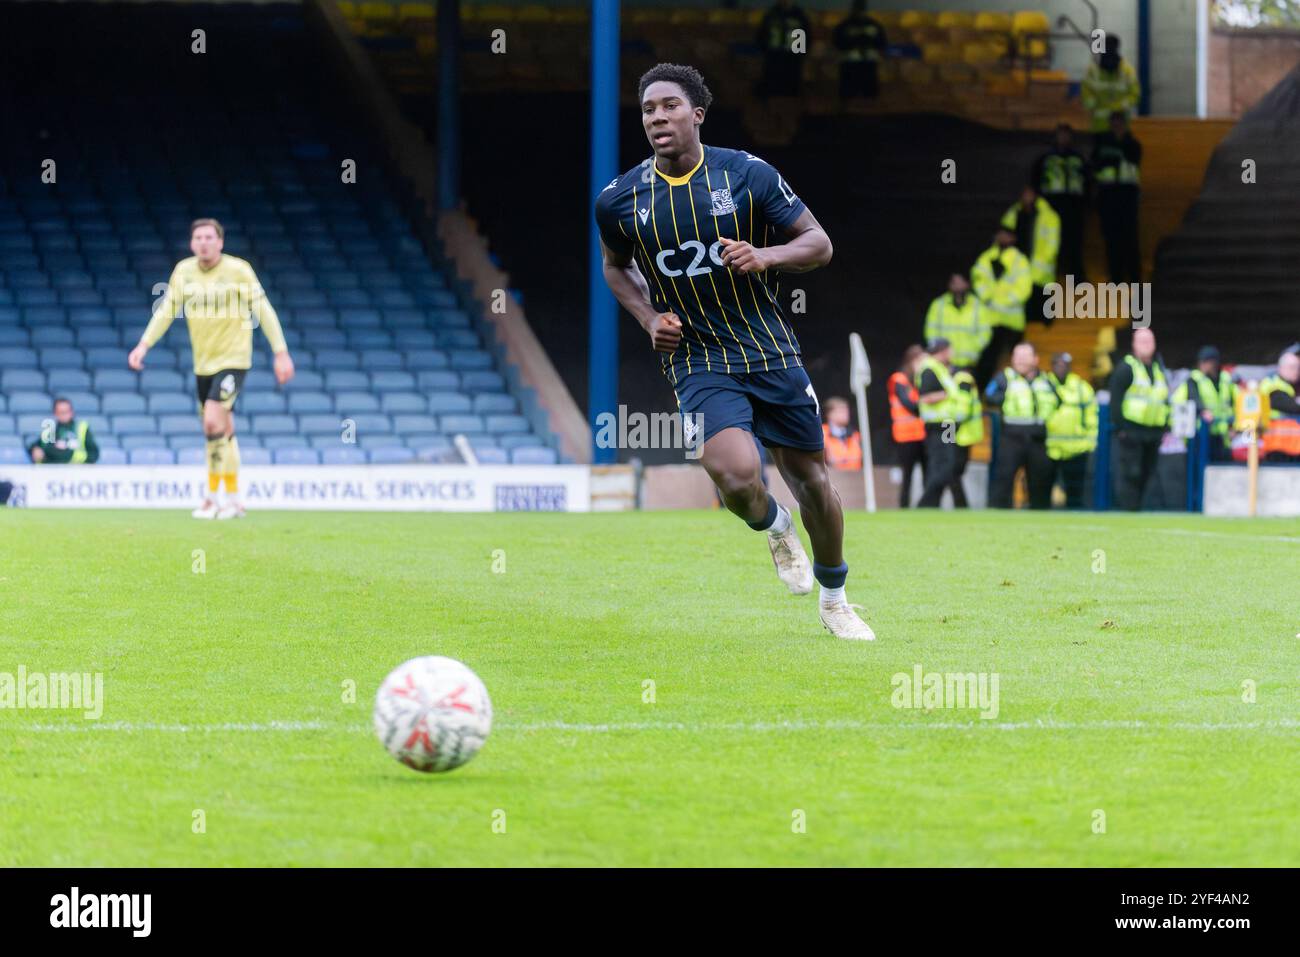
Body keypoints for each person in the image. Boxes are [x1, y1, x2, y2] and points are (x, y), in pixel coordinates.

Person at [595, 63, 872, 640]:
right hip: (696, 358)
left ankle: (835, 598)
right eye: (648, 109)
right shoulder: (620, 200)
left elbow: (818, 243)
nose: (657, 117)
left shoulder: (746, 173)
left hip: (768, 348)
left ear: (697, 114)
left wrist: (765, 256)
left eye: (669, 105)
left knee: (813, 482)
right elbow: (614, 268)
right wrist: (649, 318)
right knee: (735, 473)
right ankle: (775, 528)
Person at [128, 218, 295, 519]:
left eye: (209, 237)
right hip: (202, 363)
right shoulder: (184, 271)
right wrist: (143, 345)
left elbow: (263, 310)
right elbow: (167, 311)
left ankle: (212, 497)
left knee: (211, 423)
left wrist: (280, 352)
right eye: (198, 238)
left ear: (220, 242)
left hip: (234, 359)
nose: (203, 242)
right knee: (224, 429)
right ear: (192, 244)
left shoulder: (239, 270)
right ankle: (233, 498)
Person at [986, 342, 1057, 509]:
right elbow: (989, 396)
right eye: (1016, 357)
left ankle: (1041, 518)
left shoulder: (1046, 380)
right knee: (1004, 479)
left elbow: (1057, 401)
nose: (1020, 361)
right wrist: (1006, 397)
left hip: (1039, 439)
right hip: (1011, 437)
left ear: (1035, 359)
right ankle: (998, 516)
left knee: (1040, 482)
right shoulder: (1004, 377)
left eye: (1024, 357)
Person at [1108, 327, 1169, 511]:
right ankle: (1129, 510)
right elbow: (1115, 400)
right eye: (1142, 341)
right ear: (1134, 345)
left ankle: (1138, 509)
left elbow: (1162, 399)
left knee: (1147, 473)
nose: (1146, 345)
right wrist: (1121, 429)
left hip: (1153, 432)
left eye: (1149, 341)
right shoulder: (1127, 367)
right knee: (1131, 473)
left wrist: (1164, 426)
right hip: (1132, 431)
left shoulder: (1158, 369)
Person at [971, 225, 1032, 389]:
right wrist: (987, 297)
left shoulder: (1020, 260)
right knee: (987, 359)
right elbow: (978, 280)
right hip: (991, 319)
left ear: (1013, 239)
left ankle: (1017, 390)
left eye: (1007, 235)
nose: (1003, 238)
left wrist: (1003, 301)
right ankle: (980, 391)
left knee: (1017, 358)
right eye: (1000, 234)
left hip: (1012, 320)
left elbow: (1024, 288)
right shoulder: (985, 259)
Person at [1032, 124, 1088, 281]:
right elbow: (1036, 181)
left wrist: (1085, 202)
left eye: (1067, 135)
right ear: (1055, 137)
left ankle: (1077, 278)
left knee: (1074, 240)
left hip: (1074, 203)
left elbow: (1087, 181)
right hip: (1052, 203)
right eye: (1061, 135)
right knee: (1052, 240)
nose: (1064, 138)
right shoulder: (1045, 158)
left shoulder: (1078, 158)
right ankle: (1051, 275)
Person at [1092, 110, 1143, 284]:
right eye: (1114, 122)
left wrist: (1115, 155)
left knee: (1129, 238)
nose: (1117, 126)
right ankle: (1116, 277)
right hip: (1108, 194)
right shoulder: (1102, 143)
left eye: (1119, 122)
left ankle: (1134, 277)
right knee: (1111, 238)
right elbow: (1096, 164)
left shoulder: (1133, 143)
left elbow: (1133, 159)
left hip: (1127, 194)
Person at [914, 338, 963, 508]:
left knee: (947, 465)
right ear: (943, 351)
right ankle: (925, 504)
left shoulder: (939, 369)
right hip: (939, 425)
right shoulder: (929, 369)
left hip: (947, 425)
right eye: (950, 350)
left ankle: (932, 504)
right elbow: (925, 397)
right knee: (943, 466)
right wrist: (946, 395)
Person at [1001, 185, 1060, 327]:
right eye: (1024, 194)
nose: (1026, 197)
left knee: (1043, 291)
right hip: (1020, 259)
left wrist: (1046, 258)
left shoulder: (1048, 215)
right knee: (1024, 291)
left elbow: (1053, 240)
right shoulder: (1015, 212)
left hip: (1041, 261)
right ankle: (1028, 318)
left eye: (1029, 194)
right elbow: (1005, 228)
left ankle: (1046, 320)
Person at [1044, 352, 1097, 508]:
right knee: (1043, 490)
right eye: (1057, 364)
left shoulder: (1082, 387)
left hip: (1076, 449)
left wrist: (1090, 441)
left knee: (1075, 493)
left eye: (1064, 364)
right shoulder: (1043, 385)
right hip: (1048, 448)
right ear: (1052, 365)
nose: (1061, 368)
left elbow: (1091, 417)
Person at [1171, 345, 1236, 461]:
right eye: (1202, 362)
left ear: (1215, 362)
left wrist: (1233, 426)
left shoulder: (1226, 380)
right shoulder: (1194, 379)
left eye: (1207, 362)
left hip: (1223, 435)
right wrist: (1203, 411)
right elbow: (1192, 397)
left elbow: (1236, 402)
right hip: (1201, 434)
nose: (1203, 365)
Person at [923, 273, 987, 372]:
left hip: (968, 364)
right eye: (954, 283)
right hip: (942, 364)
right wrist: (938, 352)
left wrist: (973, 350)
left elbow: (985, 334)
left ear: (967, 284)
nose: (957, 287)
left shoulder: (978, 307)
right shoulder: (939, 305)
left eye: (960, 282)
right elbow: (931, 331)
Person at [888, 345, 926, 508]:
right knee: (907, 476)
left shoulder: (921, 380)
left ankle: (927, 506)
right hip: (905, 436)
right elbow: (909, 404)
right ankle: (904, 506)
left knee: (928, 474)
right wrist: (928, 403)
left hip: (923, 435)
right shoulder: (899, 379)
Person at [1081, 34, 1140, 134]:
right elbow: (1086, 95)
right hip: (1099, 129)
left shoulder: (1127, 71)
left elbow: (1135, 95)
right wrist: (1094, 104)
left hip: (1121, 129)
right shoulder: (1092, 71)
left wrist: (1119, 106)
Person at [833, 0, 887, 100]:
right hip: (850, 62)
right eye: (858, 10)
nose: (859, 13)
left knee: (869, 92)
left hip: (869, 62)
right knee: (848, 91)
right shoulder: (844, 25)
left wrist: (872, 48)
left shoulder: (873, 25)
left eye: (862, 10)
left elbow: (882, 43)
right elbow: (837, 42)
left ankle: (869, 100)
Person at [756, 0, 811, 98]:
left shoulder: (800, 16)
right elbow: (761, 36)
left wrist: (801, 54)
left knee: (790, 94)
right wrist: (767, 52)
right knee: (773, 92)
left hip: (793, 61)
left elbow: (807, 37)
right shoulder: (771, 14)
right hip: (773, 60)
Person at [949, 366, 984, 508]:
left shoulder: (961, 379)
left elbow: (958, 413)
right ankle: (961, 506)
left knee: (951, 472)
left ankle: (961, 506)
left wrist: (947, 437)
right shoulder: (957, 379)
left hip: (960, 435)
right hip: (960, 434)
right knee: (951, 473)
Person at [26, 397, 99, 464]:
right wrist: (35, 450)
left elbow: (93, 455)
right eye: (60, 412)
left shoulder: (82, 428)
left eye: (66, 411)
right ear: (55, 413)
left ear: (72, 412)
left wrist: (70, 454)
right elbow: (39, 447)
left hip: (76, 473)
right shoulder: (50, 429)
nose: (64, 415)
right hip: (51, 473)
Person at [1260, 350, 1300, 462]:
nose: (1296, 371)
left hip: (1290, 446)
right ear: (1281, 368)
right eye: (1292, 367)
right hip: (1275, 446)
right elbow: (1291, 407)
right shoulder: (1272, 384)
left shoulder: (1290, 387)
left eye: (1298, 367)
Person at [822, 396, 863, 470]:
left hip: (855, 477)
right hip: (833, 477)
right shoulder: (822, 433)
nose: (846, 414)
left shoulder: (855, 435)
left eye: (846, 410)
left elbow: (858, 459)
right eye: (841, 411)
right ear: (830, 414)